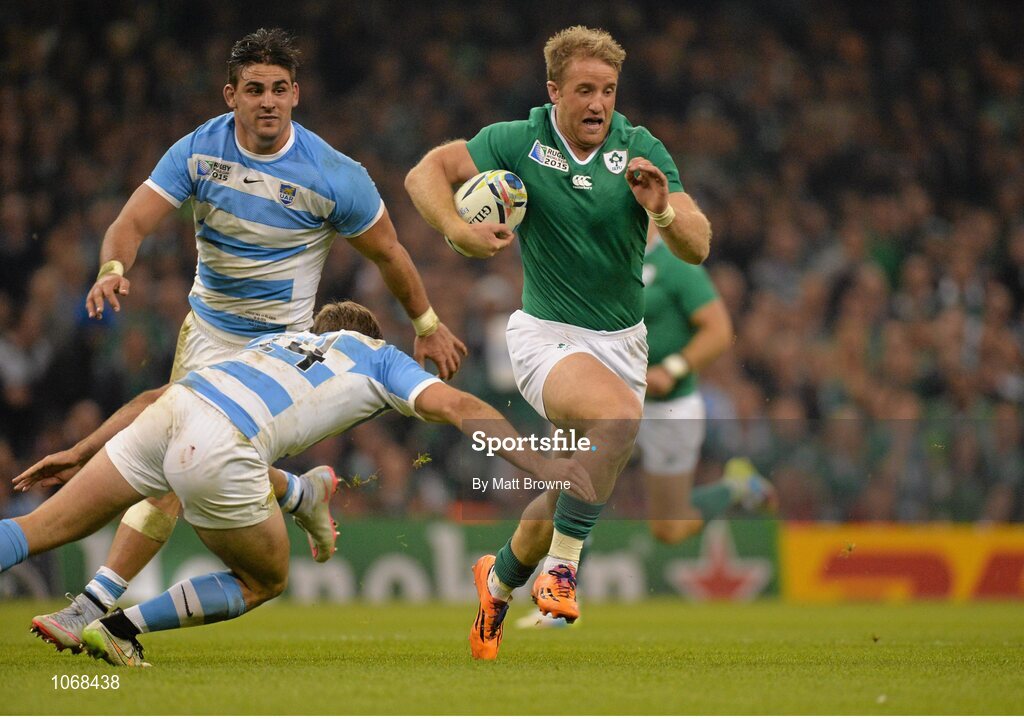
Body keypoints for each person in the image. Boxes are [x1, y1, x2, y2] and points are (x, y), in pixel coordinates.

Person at [16, 28, 466, 653]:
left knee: (176, 467)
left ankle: (89, 609)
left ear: (296, 94)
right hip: (208, 335)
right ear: (231, 95)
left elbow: (389, 253)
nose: (268, 101)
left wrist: (427, 324)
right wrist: (112, 268)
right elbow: (132, 221)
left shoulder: (336, 176)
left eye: (279, 89)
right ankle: (300, 492)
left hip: (278, 351)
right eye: (254, 89)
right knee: (176, 459)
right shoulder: (199, 151)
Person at [1, 301, 591, 667]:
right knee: (265, 579)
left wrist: (81, 450)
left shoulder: (274, 342)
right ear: (370, 333)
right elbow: (461, 406)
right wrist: (540, 461)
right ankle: (119, 628)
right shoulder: (380, 357)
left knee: (36, 527)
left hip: (172, 411)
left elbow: (157, 394)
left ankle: (302, 493)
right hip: (221, 440)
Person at [404, 26, 710, 659]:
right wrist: (456, 228)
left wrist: (663, 210)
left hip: (623, 346)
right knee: (618, 417)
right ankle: (562, 573)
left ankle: (496, 583)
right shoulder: (519, 140)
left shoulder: (640, 147)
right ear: (554, 92)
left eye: (609, 91)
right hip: (546, 337)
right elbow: (425, 173)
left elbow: (698, 245)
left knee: (569, 487)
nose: (599, 104)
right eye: (585, 90)